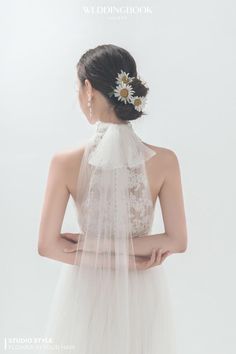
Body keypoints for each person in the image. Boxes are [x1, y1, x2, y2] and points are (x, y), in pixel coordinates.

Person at [38, 44, 188, 354]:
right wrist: (130, 263)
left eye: (77, 88)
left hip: (86, 286)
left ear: (88, 89)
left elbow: (49, 245)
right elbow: (176, 240)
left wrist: (95, 244)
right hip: (142, 287)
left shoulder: (64, 162)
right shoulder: (165, 160)